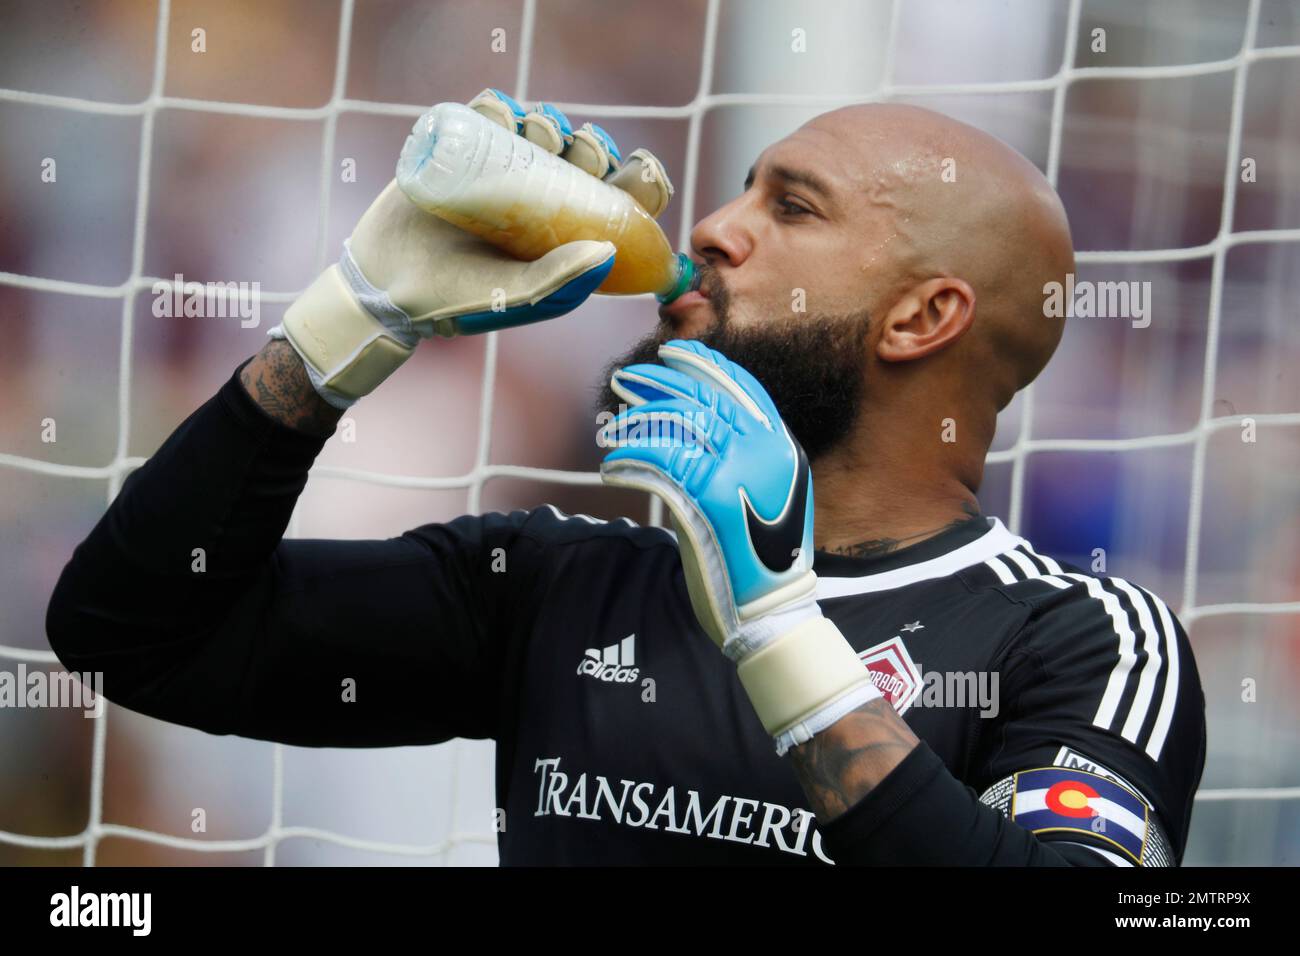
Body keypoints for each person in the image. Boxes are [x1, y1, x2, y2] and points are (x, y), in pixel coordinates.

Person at [47, 88, 1205, 865]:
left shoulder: (1080, 638)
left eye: (788, 205)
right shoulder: (555, 582)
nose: (709, 226)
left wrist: (778, 632)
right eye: (741, 188)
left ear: (922, 314)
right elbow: (129, 628)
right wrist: (347, 323)